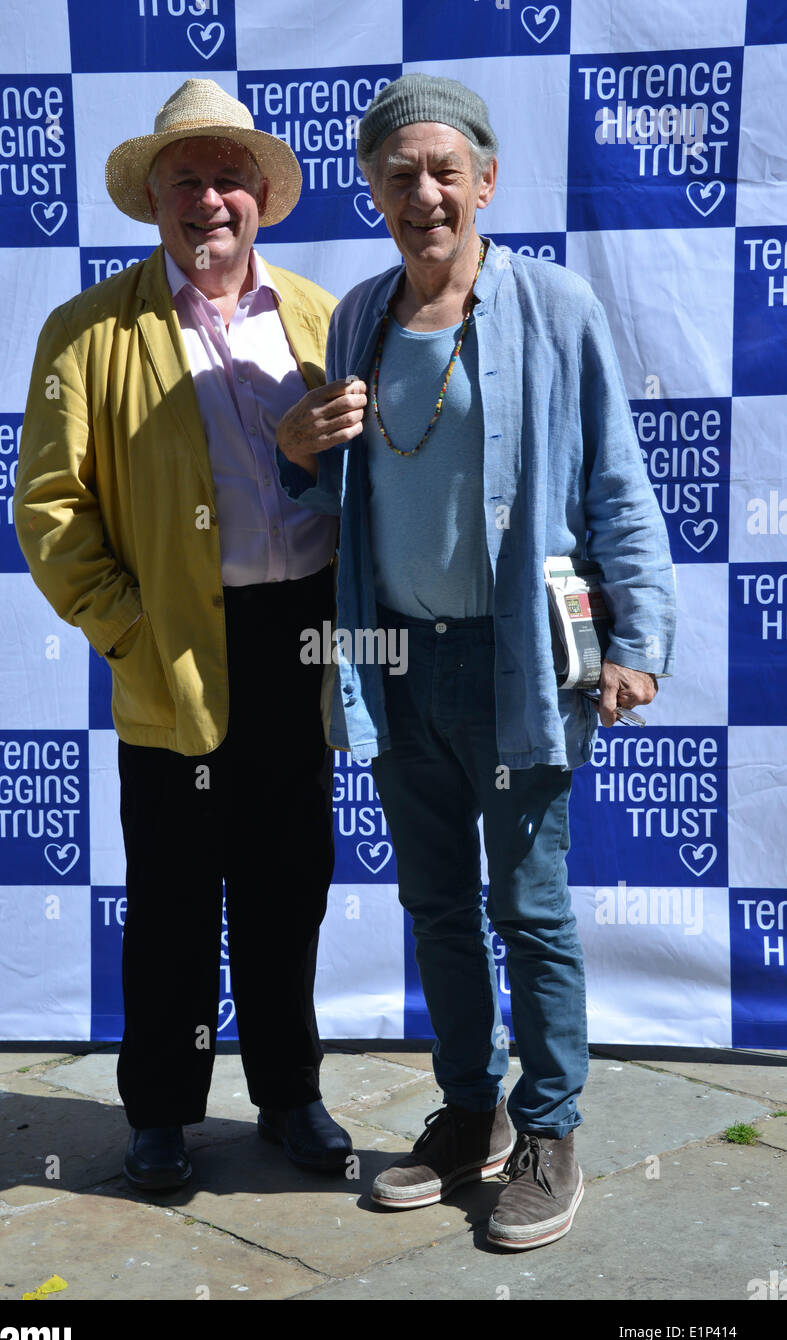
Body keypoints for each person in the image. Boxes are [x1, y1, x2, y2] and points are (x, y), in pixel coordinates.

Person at [276, 73, 675, 1250]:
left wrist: (639, 642)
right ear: (374, 192)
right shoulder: (354, 318)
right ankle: (470, 1113)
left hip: (522, 667)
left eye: (447, 170)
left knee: (532, 907)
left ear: (487, 182)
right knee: (437, 903)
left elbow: (618, 487)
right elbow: (330, 484)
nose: (426, 193)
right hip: (392, 658)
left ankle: (551, 1129)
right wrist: (295, 452)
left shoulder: (555, 308)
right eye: (400, 174)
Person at [15, 78, 352, 1191]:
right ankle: (160, 1111)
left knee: (288, 882)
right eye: (185, 182)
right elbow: (51, 510)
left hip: (297, 636)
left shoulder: (320, 316)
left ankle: (291, 1095)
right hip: (174, 648)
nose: (209, 201)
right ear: (154, 201)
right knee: (169, 896)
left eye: (227, 180)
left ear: (260, 196)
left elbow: (370, 473)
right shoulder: (88, 332)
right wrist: (131, 629)